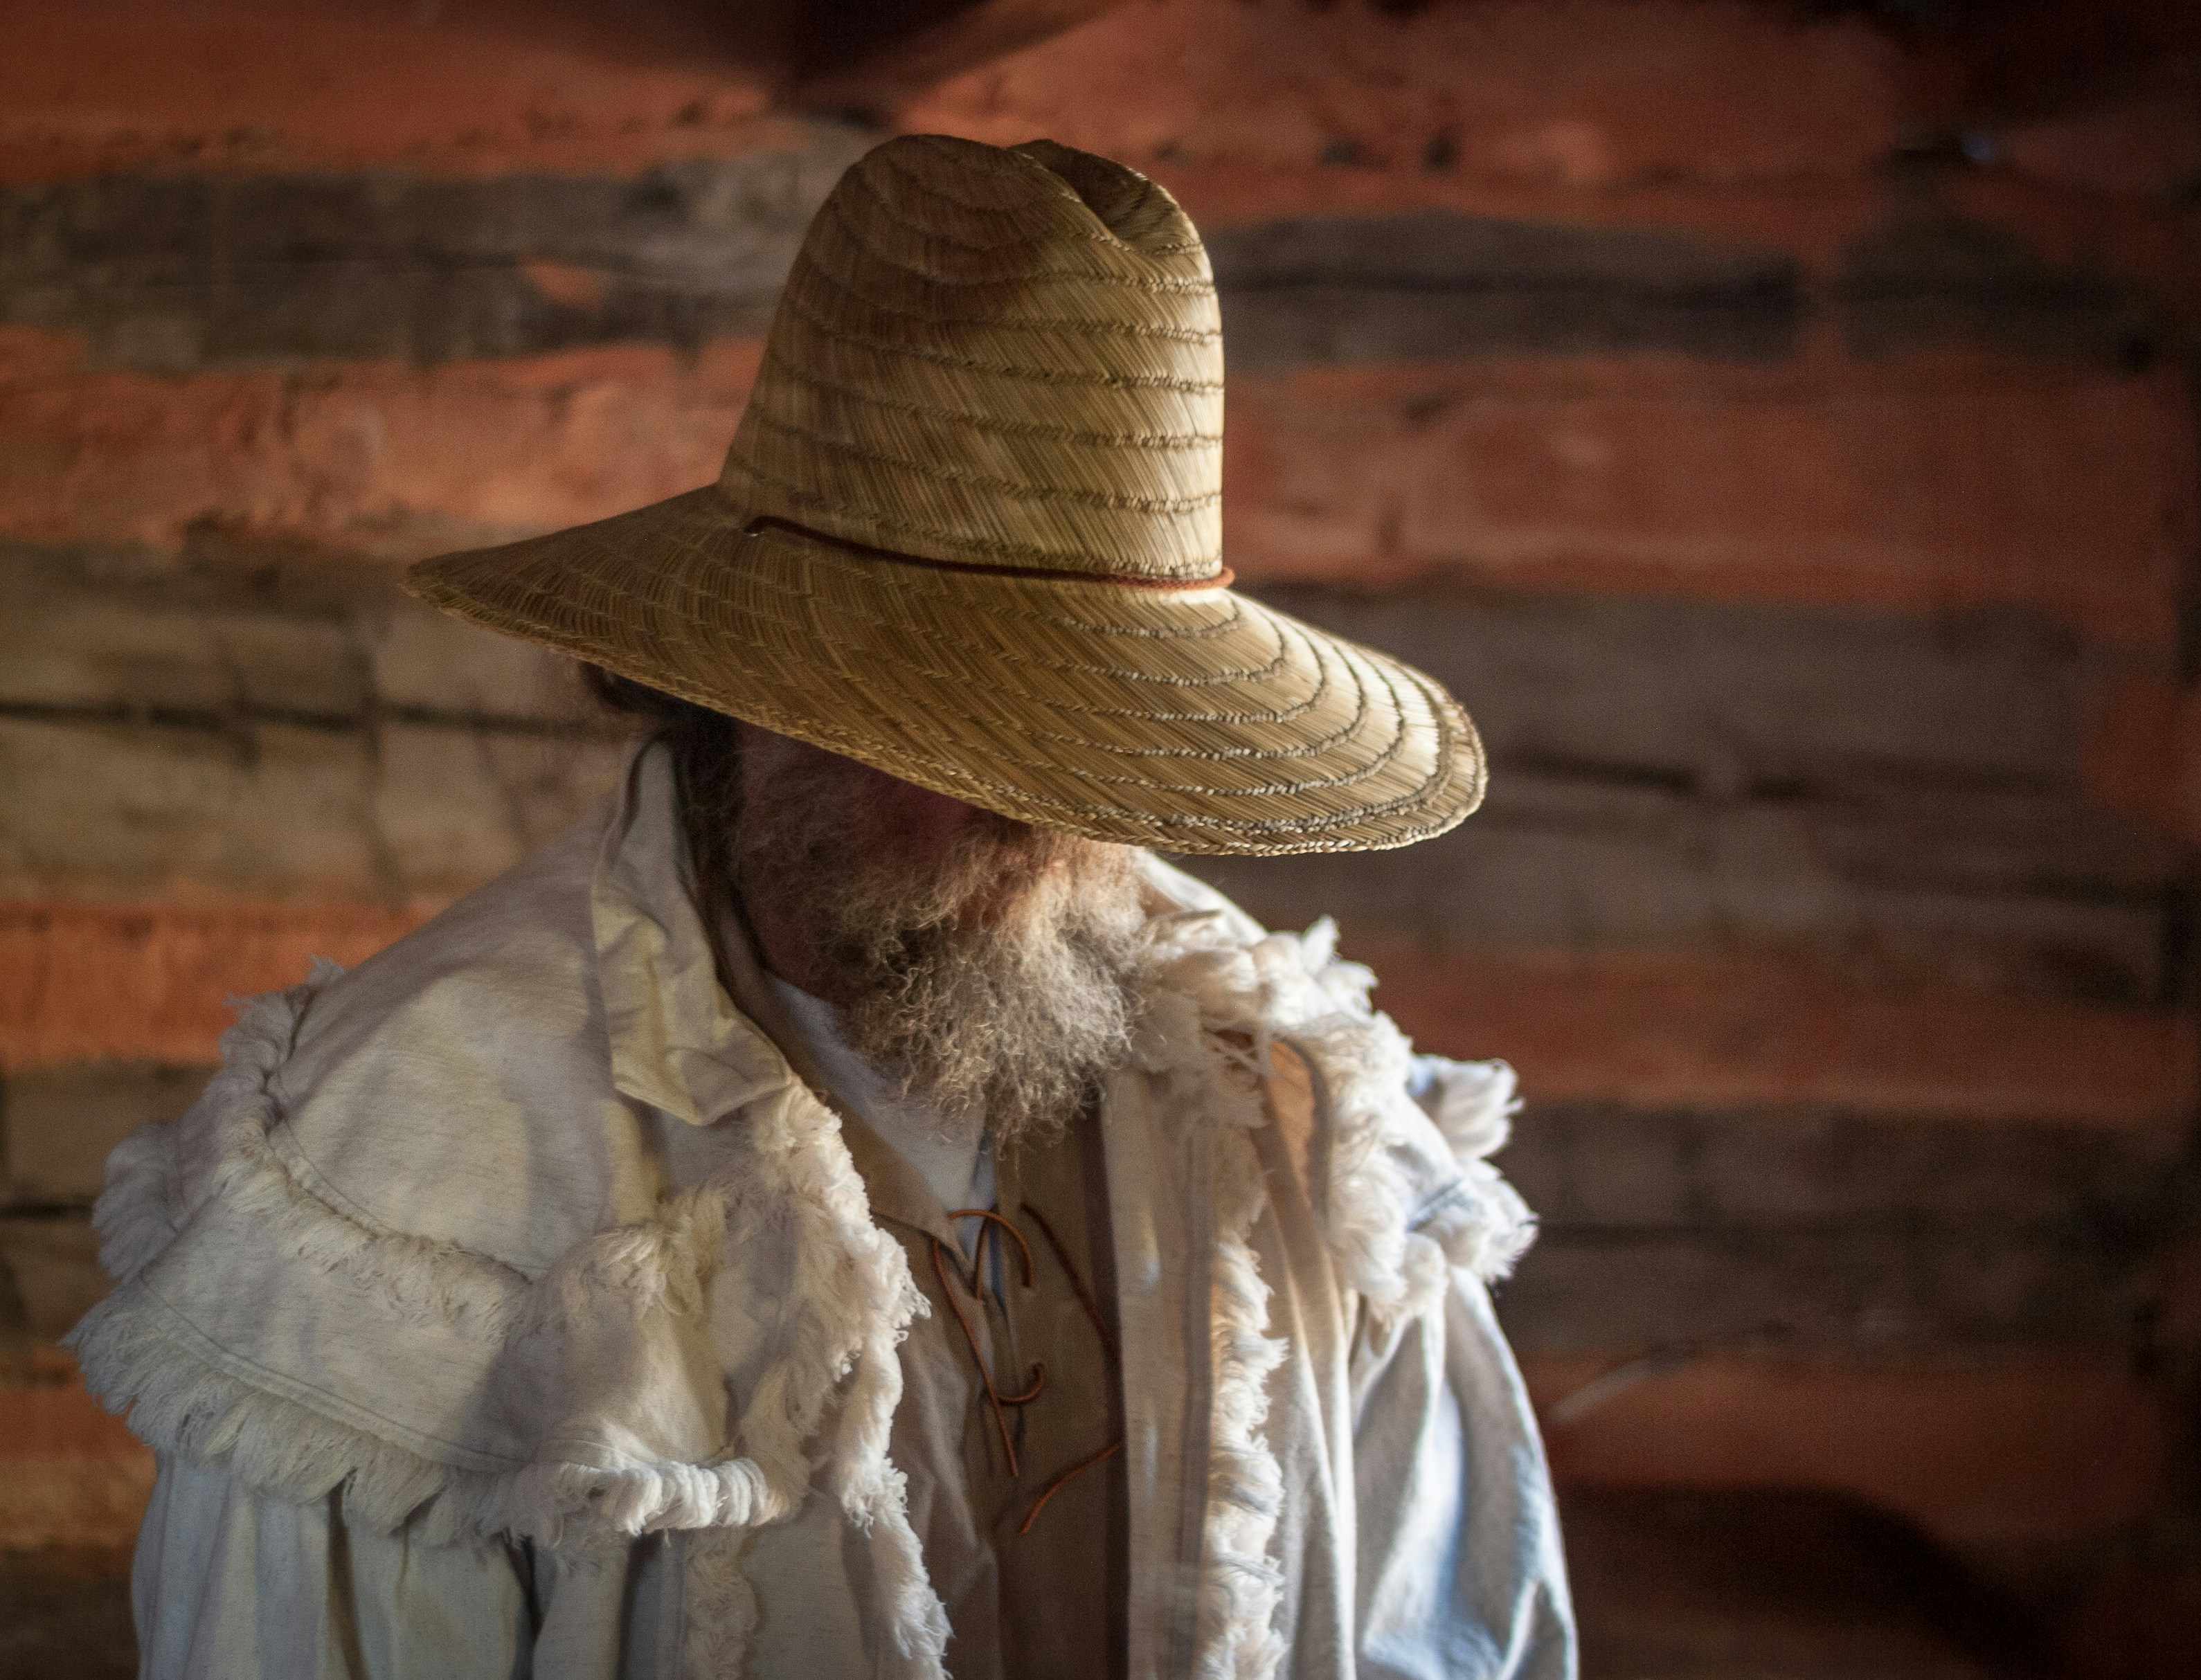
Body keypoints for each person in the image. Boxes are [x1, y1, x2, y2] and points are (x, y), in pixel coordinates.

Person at [73, 134, 1574, 1679]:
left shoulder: (1280, 1094)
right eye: (961, 723)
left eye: (1095, 738)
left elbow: (1437, 1634)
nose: (1042, 815)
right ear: (746, 692)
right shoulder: (407, 1158)